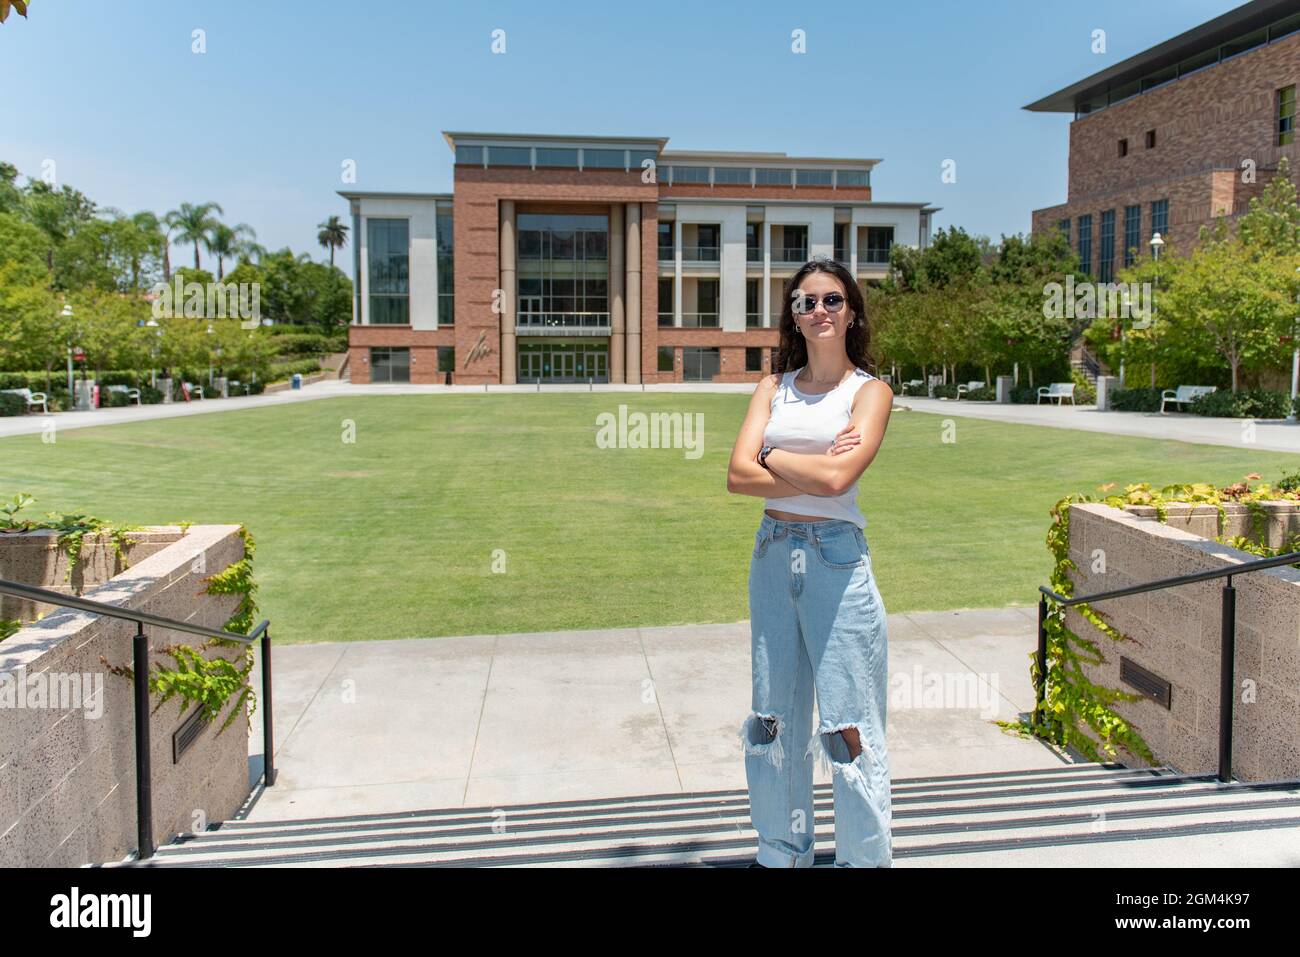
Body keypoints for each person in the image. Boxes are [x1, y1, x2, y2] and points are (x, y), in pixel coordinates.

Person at [725, 257, 894, 868]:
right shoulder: (773, 388)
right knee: (771, 719)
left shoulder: (869, 393)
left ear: (850, 312)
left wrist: (770, 450)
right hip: (772, 556)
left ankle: (864, 859)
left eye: (829, 300)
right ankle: (782, 853)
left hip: (836, 564)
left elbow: (839, 478)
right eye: (804, 303)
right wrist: (807, 464)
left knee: (848, 730)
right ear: (791, 317)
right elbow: (736, 478)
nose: (817, 311)